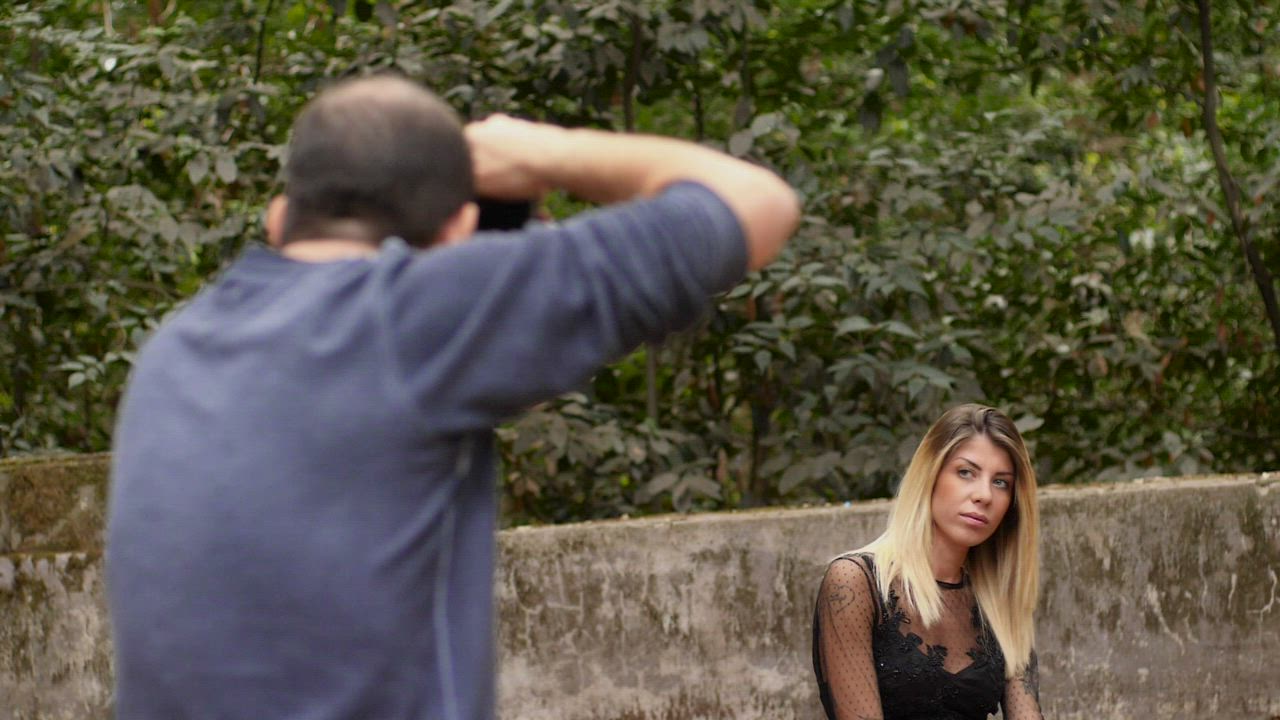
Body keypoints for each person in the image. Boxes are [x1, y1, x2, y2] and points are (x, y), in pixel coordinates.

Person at [106, 74, 798, 720]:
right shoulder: (413, 317)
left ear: (278, 218)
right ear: (457, 234)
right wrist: (542, 151)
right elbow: (759, 205)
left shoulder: (174, 347)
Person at [812, 404, 1044, 720]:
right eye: (966, 472)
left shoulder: (1000, 601)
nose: (984, 495)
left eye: (1000, 482)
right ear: (930, 474)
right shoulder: (856, 582)